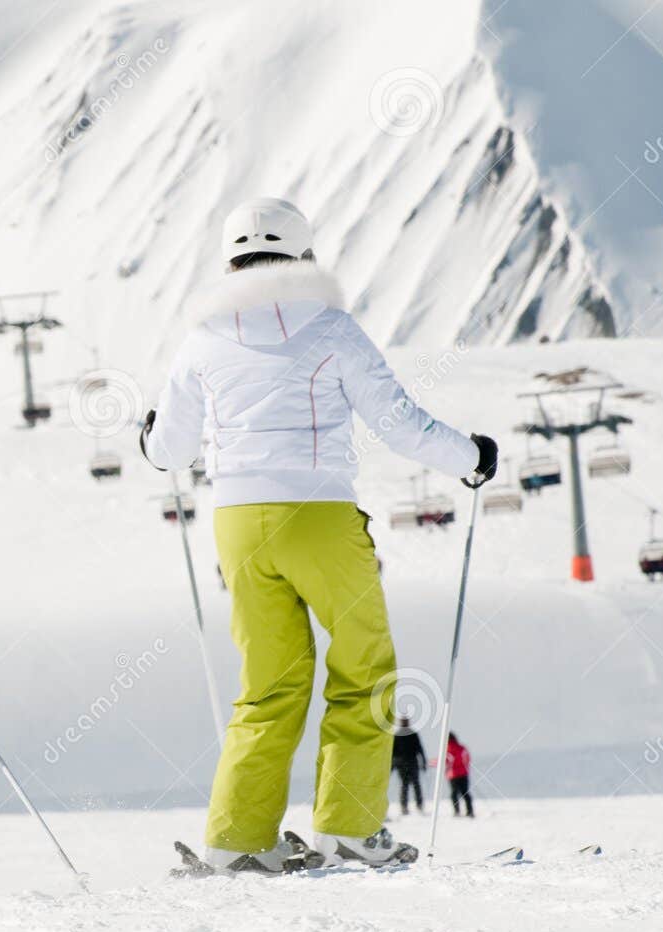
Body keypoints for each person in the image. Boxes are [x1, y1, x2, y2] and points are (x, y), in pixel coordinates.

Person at [142, 196, 497, 872]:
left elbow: (168, 447)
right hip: (320, 514)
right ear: (304, 255)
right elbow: (400, 424)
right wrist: (471, 457)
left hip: (238, 525)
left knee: (268, 682)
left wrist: (148, 438)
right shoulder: (330, 328)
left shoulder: (202, 338)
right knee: (364, 666)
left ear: (230, 261)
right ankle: (348, 830)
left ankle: (237, 841)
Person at [392, 715, 427, 816]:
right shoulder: (397, 735)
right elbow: (392, 752)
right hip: (402, 764)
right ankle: (404, 807)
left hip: (411, 762)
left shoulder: (412, 734)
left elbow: (420, 749)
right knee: (405, 785)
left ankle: (419, 805)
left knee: (414, 784)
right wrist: (392, 765)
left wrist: (423, 762)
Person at [446, 731, 474, 817]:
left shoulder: (446, 749)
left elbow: (445, 761)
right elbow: (467, 758)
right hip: (463, 773)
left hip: (452, 775)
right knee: (465, 793)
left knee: (454, 794)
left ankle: (456, 811)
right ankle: (470, 811)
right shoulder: (461, 747)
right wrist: (465, 767)